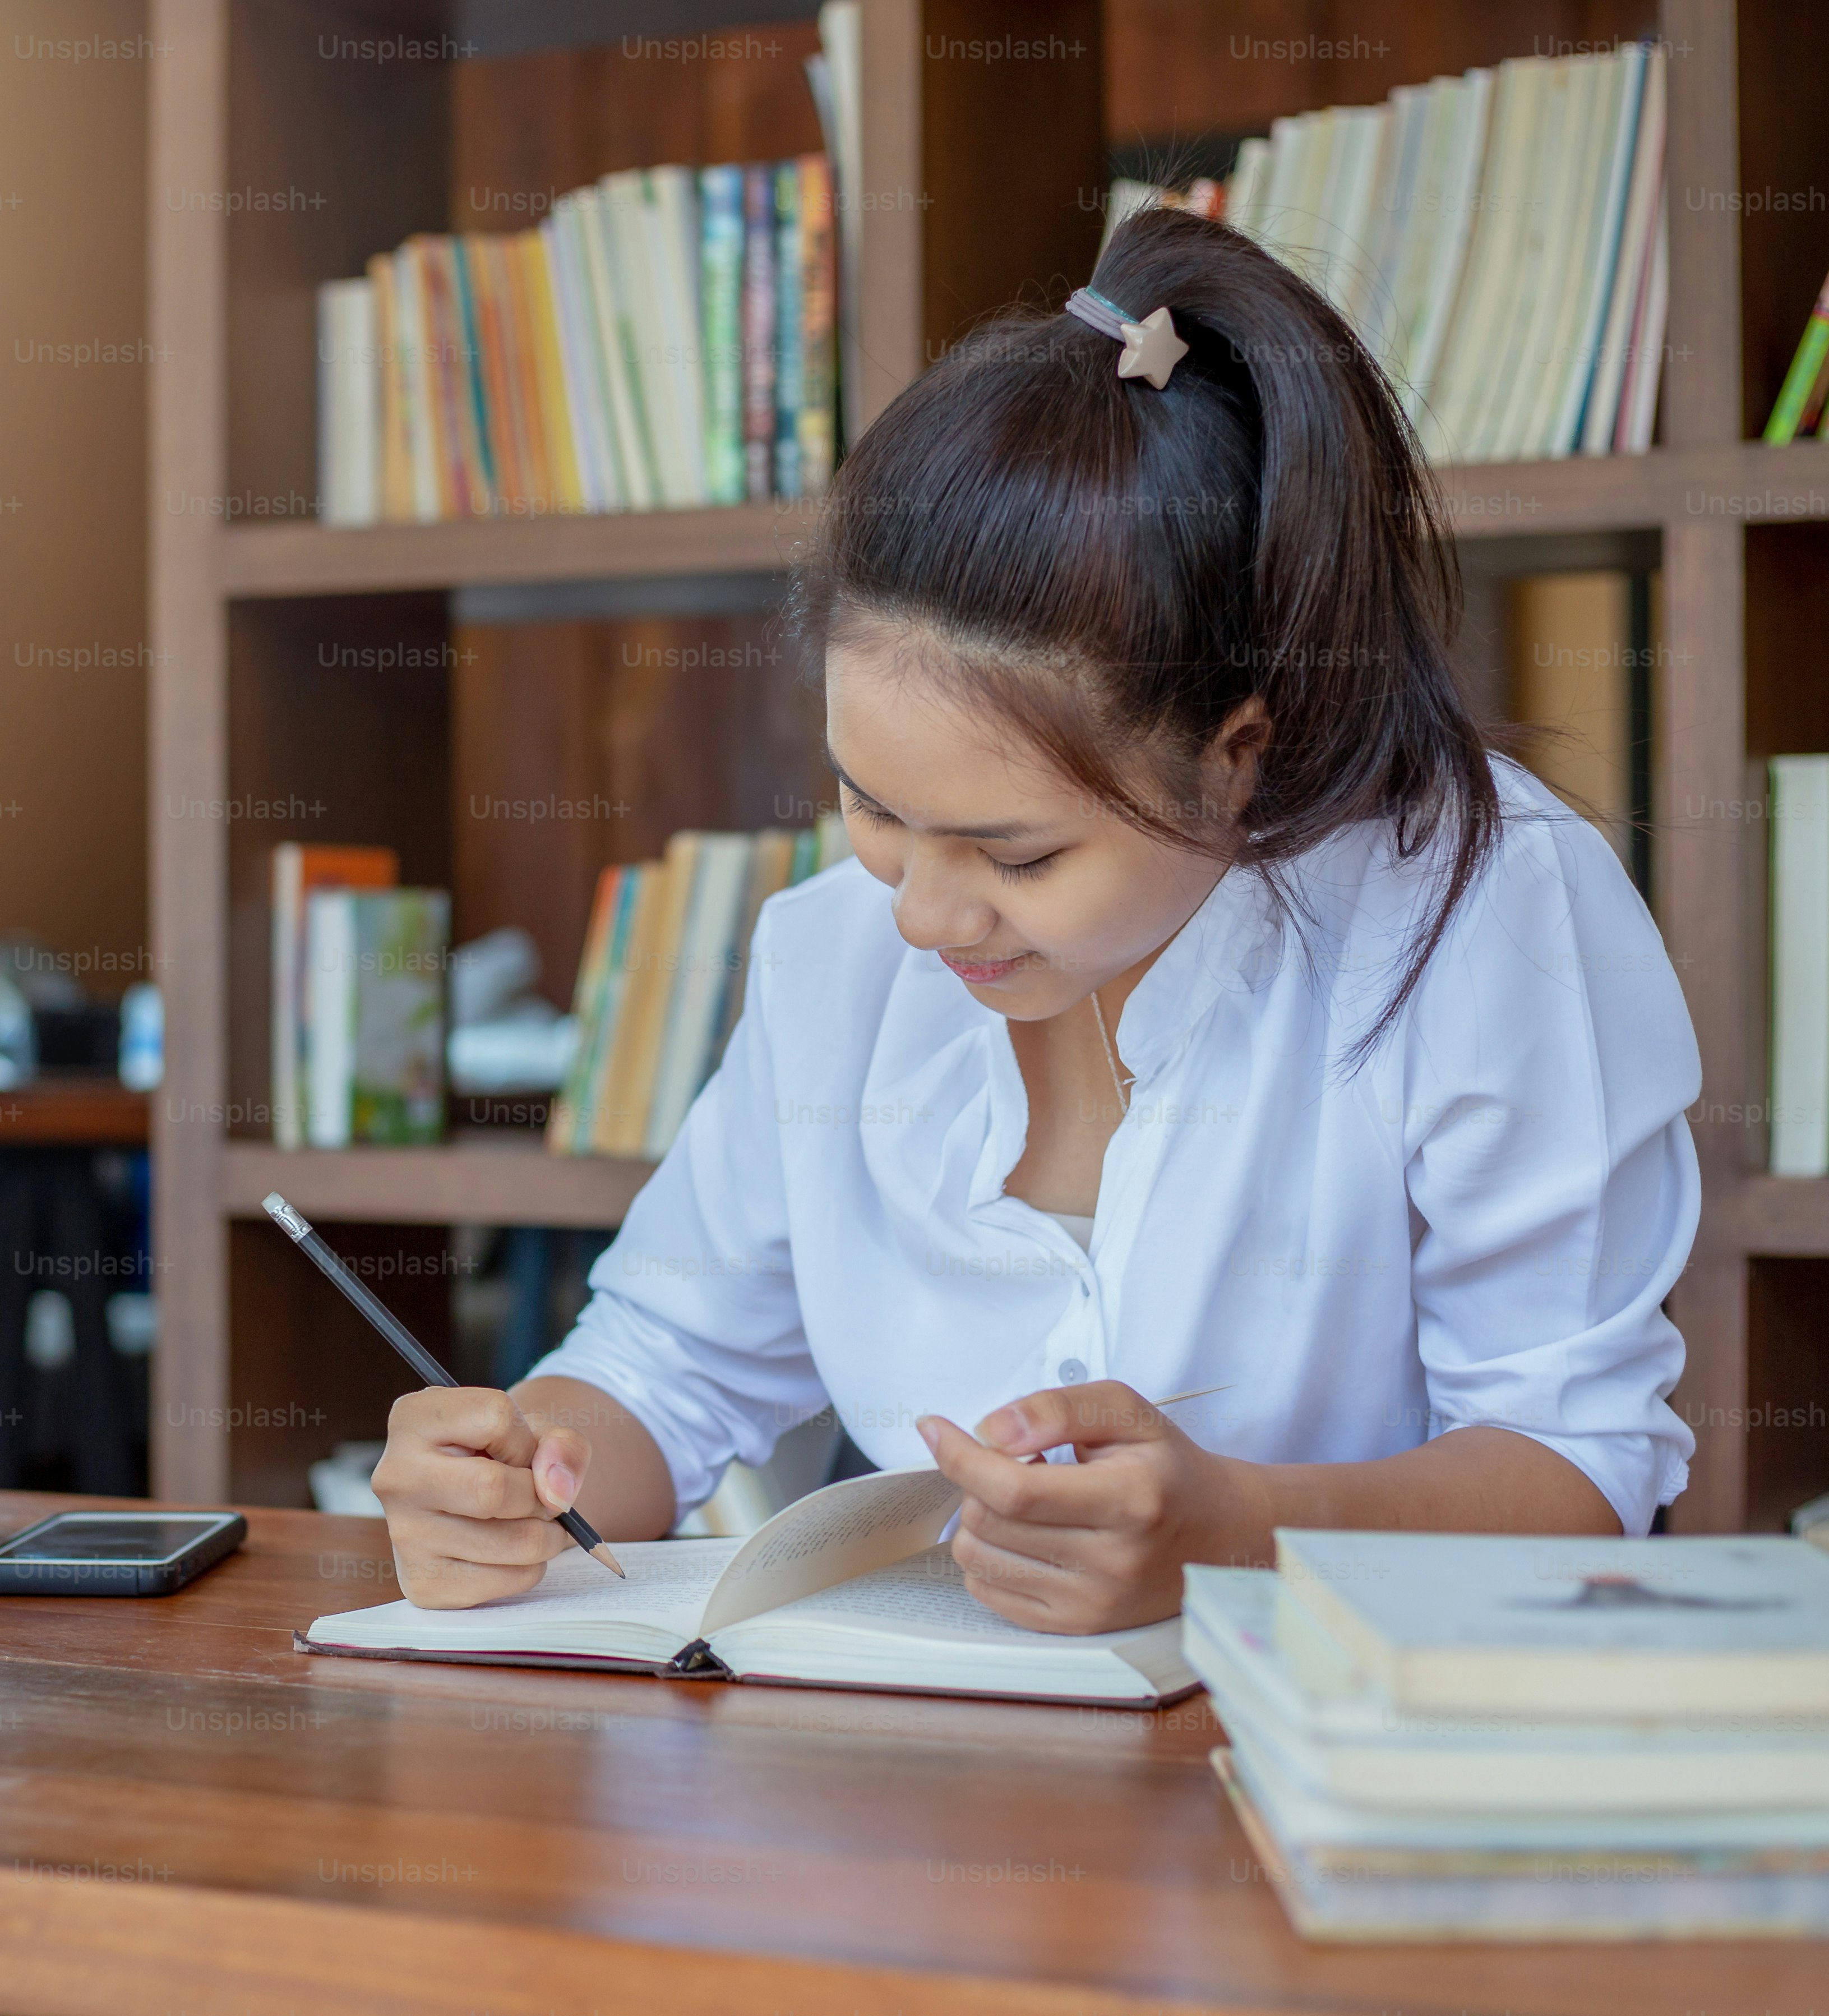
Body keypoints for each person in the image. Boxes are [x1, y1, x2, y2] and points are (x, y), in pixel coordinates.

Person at [371, 209, 1699, 1635]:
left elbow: (1574, 1458)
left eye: (1014, 851)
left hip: (1331, 1761)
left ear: (1235, 753)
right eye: (870, 806)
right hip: (928, 1787)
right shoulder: (830, 961)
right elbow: (662, 1365)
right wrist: (514, 1471)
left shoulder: (1477, 903)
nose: (923, 914)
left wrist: (1235, 1529)